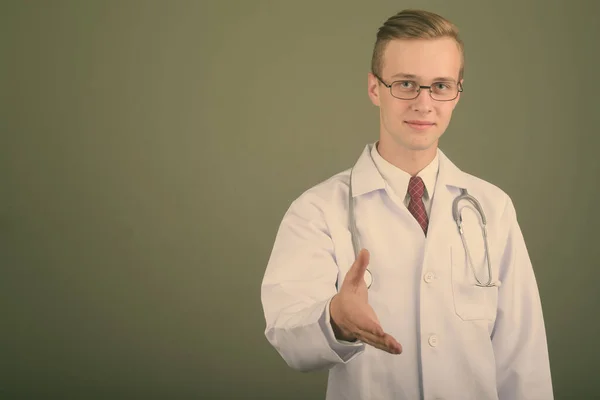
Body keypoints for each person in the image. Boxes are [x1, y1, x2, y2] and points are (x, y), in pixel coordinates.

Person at [260, 8, 553, 400]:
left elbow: (524, 361)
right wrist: (336, 320)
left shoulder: (492, 208)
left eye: (441, 85)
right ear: (374, 88)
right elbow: (286, 331)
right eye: (406, 84)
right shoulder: (317, 211)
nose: (424, 102)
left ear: (457, 92)